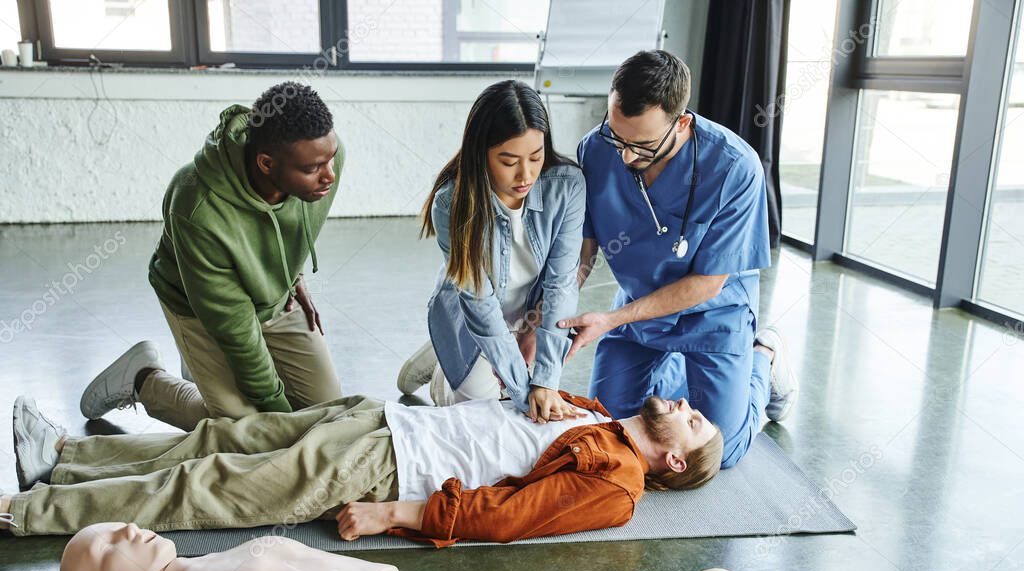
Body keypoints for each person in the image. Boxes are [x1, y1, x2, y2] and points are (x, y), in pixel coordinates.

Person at [2, 379, 726, 544]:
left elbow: (511, 516)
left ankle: (28, 512)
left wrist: (395, 515)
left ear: (671, 461)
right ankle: (64, 457)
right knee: (215, 439)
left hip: (388, 465)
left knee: (209, 485)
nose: (683, 403)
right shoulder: (597, 412)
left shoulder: (619, 485)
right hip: (380, 417)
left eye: (692, 422)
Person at [560, 50, 798, 469]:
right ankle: (676, 369)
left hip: (714, 314)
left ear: (682, 123)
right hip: (639, 309)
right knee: (613, 428)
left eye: (643, 145)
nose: (625, 157)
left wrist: (611, 320)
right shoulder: (596, 149)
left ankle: (763, 355)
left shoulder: (735, 168)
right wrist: (550, 315)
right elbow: (583, 250)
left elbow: (707, 283)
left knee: (718, 451)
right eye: (618, 137)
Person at [78, 82, 345, 432]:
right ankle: (143, 379)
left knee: (331, 416)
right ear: (267, 164)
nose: (330, 175)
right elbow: (236, 328)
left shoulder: (324, 156)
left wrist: (294, 275)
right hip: (199, 306)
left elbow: (282, 227)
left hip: (274, 297)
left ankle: (214, 381)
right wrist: (277, 422)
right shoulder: (197, 207)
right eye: (313, 168)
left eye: (330, 158)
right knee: (246, 431)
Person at [395, 80, 586, 424]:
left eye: (536, 156)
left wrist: (545, 381)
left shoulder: (568, 185)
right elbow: (480, 305)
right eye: (508, 161)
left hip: (526, 316)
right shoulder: (451, 203)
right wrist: (524, 391)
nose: (526, 174)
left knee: (525, 402)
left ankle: (446, 351)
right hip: (471, 318)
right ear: (480, 153)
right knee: (480, 412)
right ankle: (443, 362)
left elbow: (561, 284)